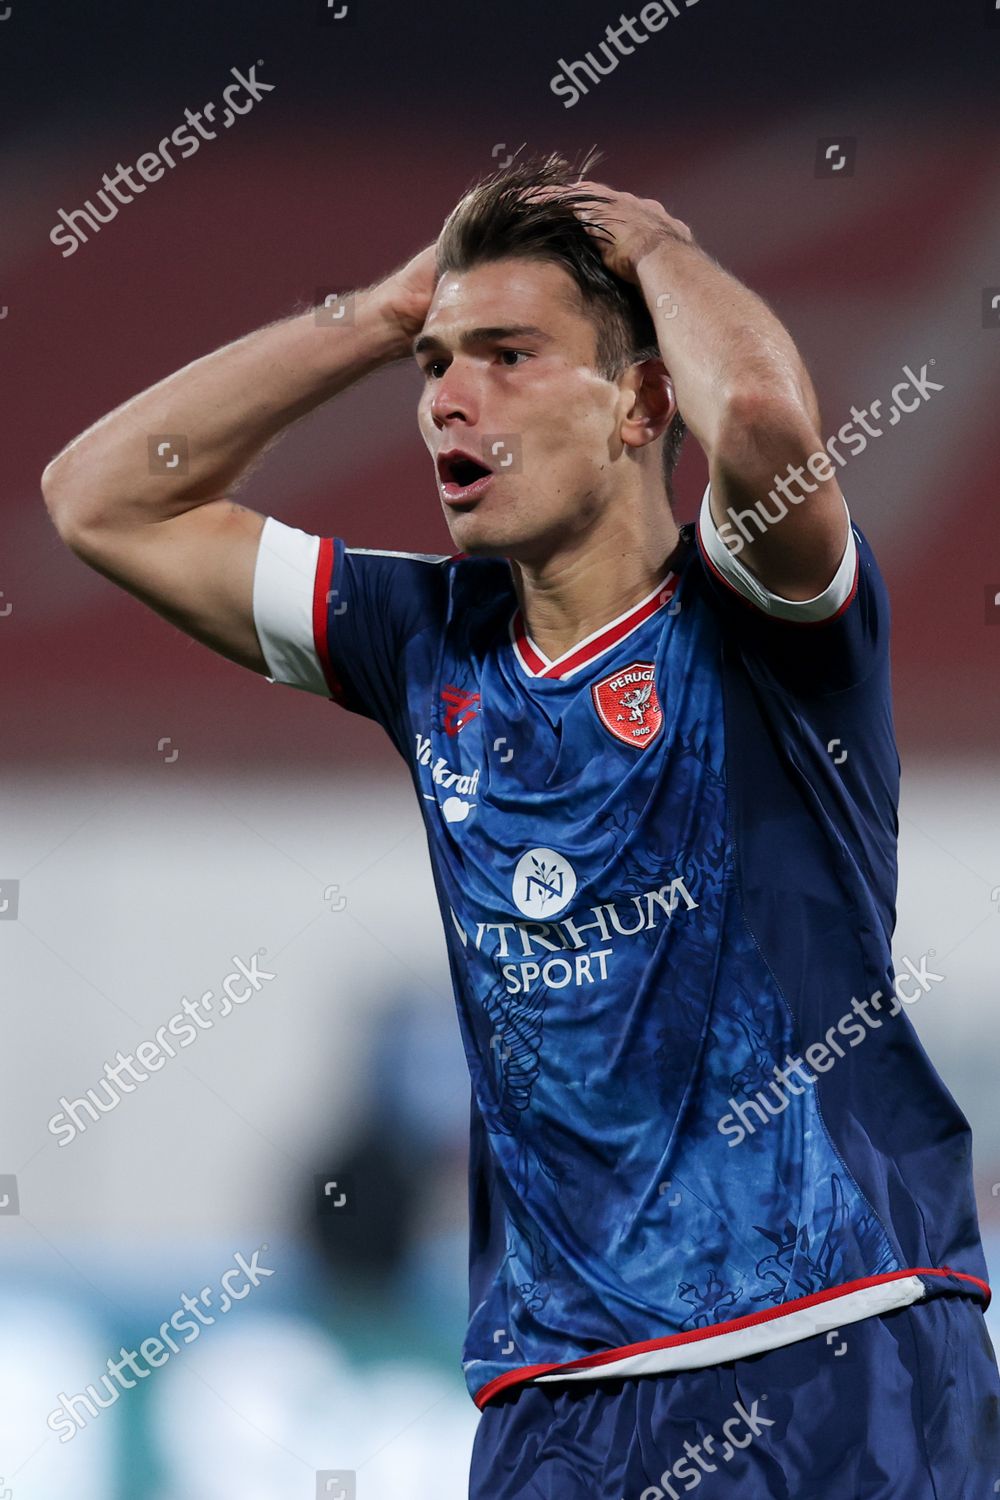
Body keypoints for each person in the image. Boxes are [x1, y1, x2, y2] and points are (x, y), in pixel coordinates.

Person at [41, 152, 1000, 1497]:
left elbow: (765, 423)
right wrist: (378, 315)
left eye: (508, 355)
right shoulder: (419, 641)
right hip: (558, 1404)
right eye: (435, 365)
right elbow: (103, 497)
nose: (450, 396)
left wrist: (656, 249)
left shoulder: (763, 620)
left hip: (839, 1347)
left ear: (640, 403)